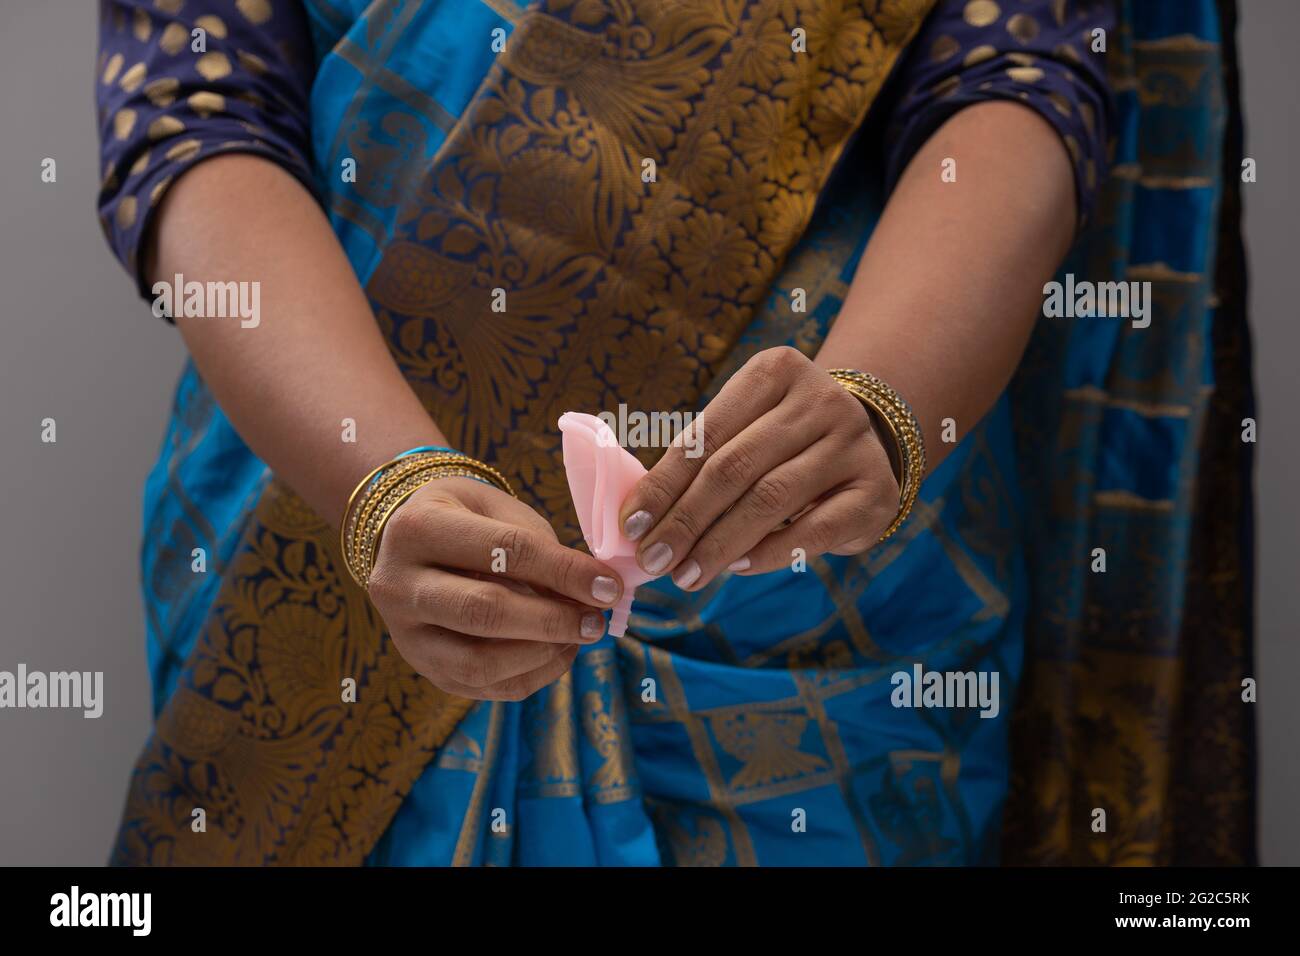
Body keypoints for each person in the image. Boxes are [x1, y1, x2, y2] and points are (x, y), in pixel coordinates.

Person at [97, 0, 1253, 865]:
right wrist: (379, 481)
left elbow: (1019, 69)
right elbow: (194, 111)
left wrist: (882, 400)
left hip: (814, 596)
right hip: (326, 530)